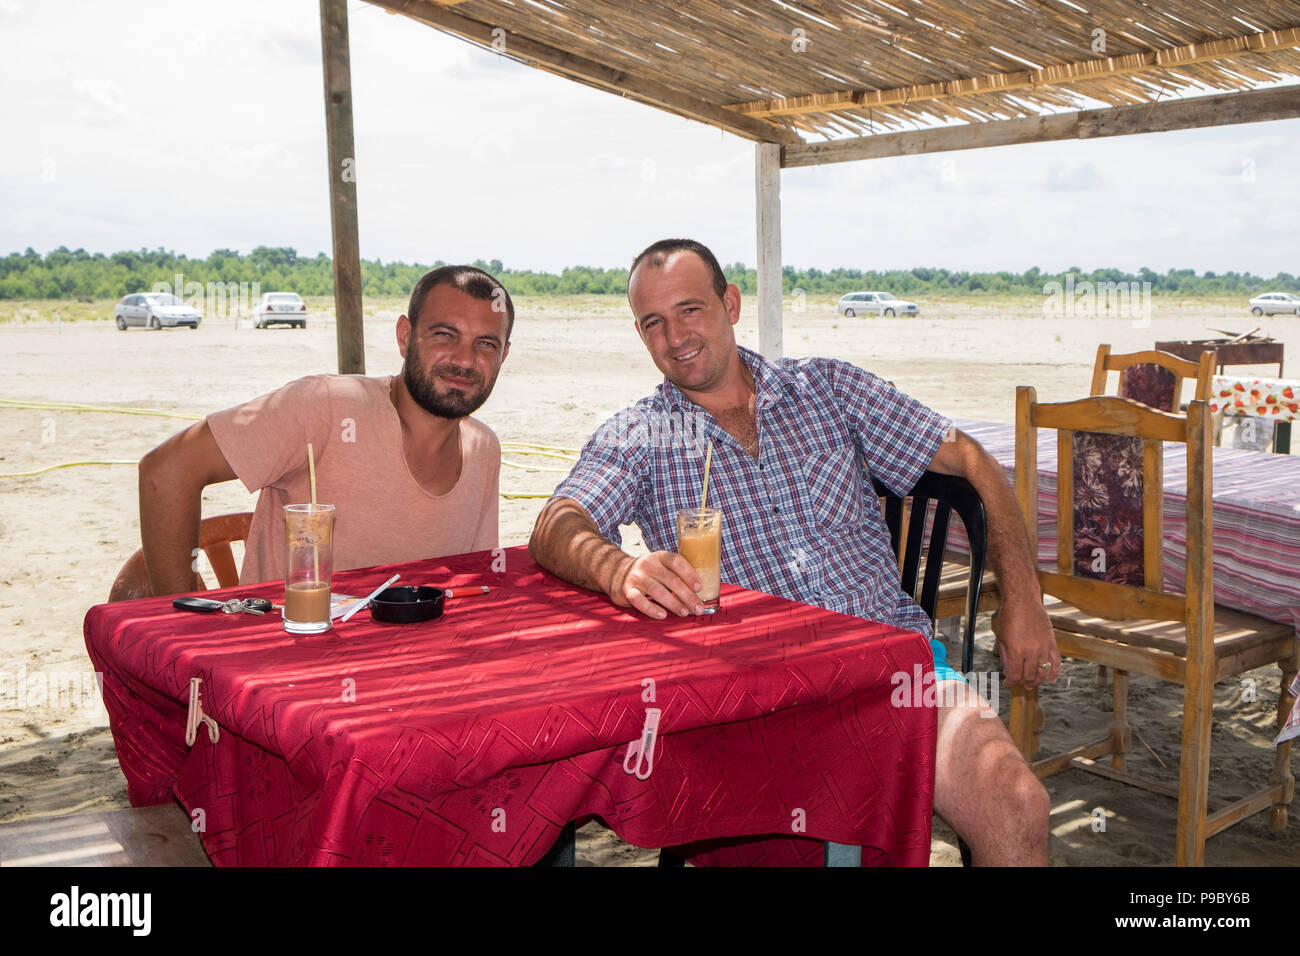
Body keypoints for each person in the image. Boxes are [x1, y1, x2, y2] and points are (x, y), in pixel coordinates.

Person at [529, 238, 1059, 866]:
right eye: (652, 323)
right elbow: (555, 524)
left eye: (690, 310)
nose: (674, 336)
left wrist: (1024, 599)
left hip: (894, 671)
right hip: (756, 699)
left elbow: (971, 459)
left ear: (730, 303)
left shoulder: (828, 389)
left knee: (1018, 804)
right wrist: (619, 569)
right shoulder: (641, 433)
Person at [137, 264, 512, 595]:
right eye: (445, 335)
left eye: (485, 344)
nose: (465, 359)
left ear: (503, 356)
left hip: (411, 665)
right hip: (292, 662)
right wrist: (178, 624)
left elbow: (476, 583)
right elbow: (167, 470)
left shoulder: (483, 448)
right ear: (404, 336)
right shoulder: (326, 407)